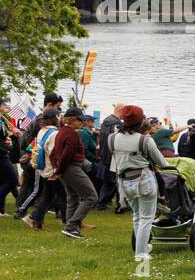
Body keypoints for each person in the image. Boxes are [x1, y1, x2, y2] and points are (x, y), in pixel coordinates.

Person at [109, 105, 170, 263]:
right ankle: (141, 253)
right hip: (144, 180)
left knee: (136, 216)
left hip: (124, 181)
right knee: (146, 218)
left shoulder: (112, 138)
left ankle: (139, 249)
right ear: (140, 121)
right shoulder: (145, 140)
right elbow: (162, 162)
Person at [45, 108, 98, 239]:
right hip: (71, 168)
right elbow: (67, 155)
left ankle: (70, 228)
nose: (82, 122)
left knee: (73, 198)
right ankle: (72, 226)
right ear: (72, 119)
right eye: (80, 120)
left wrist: (57, 168)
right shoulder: (72, 134)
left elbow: (53, 154)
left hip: (64, 169)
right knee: (91, 197)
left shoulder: (61, 132)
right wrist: (58, 170)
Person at [94, 103, 124, 211]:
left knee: (108, 181)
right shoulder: (115, 124)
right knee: (111, 182)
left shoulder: (107, 120)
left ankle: (102, 202)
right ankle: (102, 203)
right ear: (121, 110)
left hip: (105, 154)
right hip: (112, 156)